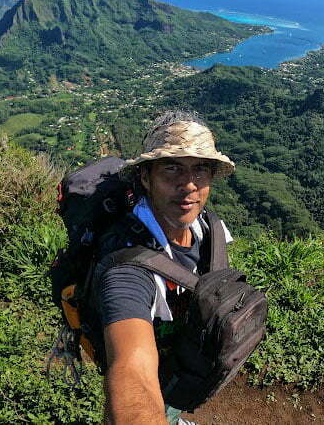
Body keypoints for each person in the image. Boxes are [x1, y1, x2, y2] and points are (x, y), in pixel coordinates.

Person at [94, 110, 236, 424]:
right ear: (145, 177)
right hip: (155, 366)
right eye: (172, 168)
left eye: (201, 169)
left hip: (175, 357)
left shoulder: (208, 229)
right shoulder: (127, 269)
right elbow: (132, 368)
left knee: (169, 404)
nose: (188, 184)